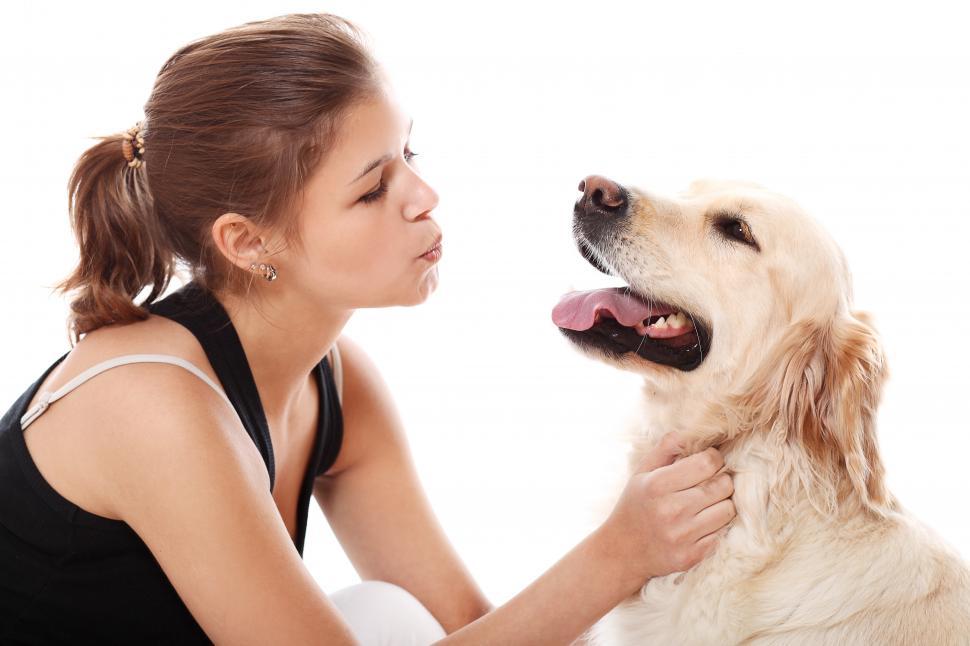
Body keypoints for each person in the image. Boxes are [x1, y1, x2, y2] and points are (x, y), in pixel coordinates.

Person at [0, 12, 736, 645]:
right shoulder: (151, 402)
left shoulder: (335, 382)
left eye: (408, 154)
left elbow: (469, 625)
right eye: (373, 188)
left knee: (389, 615)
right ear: (247, 242)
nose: (424, 196)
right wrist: (621, 554)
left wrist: (640, 549)